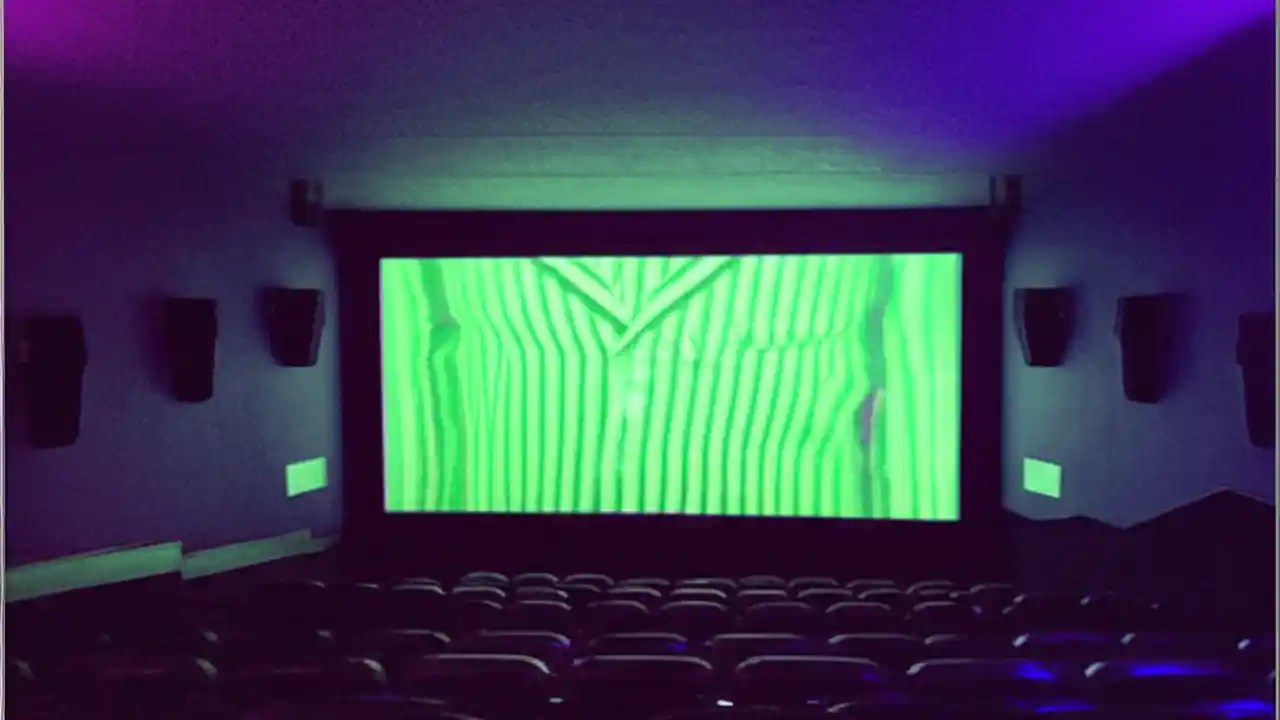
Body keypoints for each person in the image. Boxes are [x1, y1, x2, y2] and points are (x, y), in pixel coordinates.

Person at [381, 253, 958, 519]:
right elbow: (405, 380)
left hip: (794, 580)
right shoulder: (412, 186)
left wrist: (933, 585)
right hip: (505, 588)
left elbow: (930, 383)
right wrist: (409, 574)